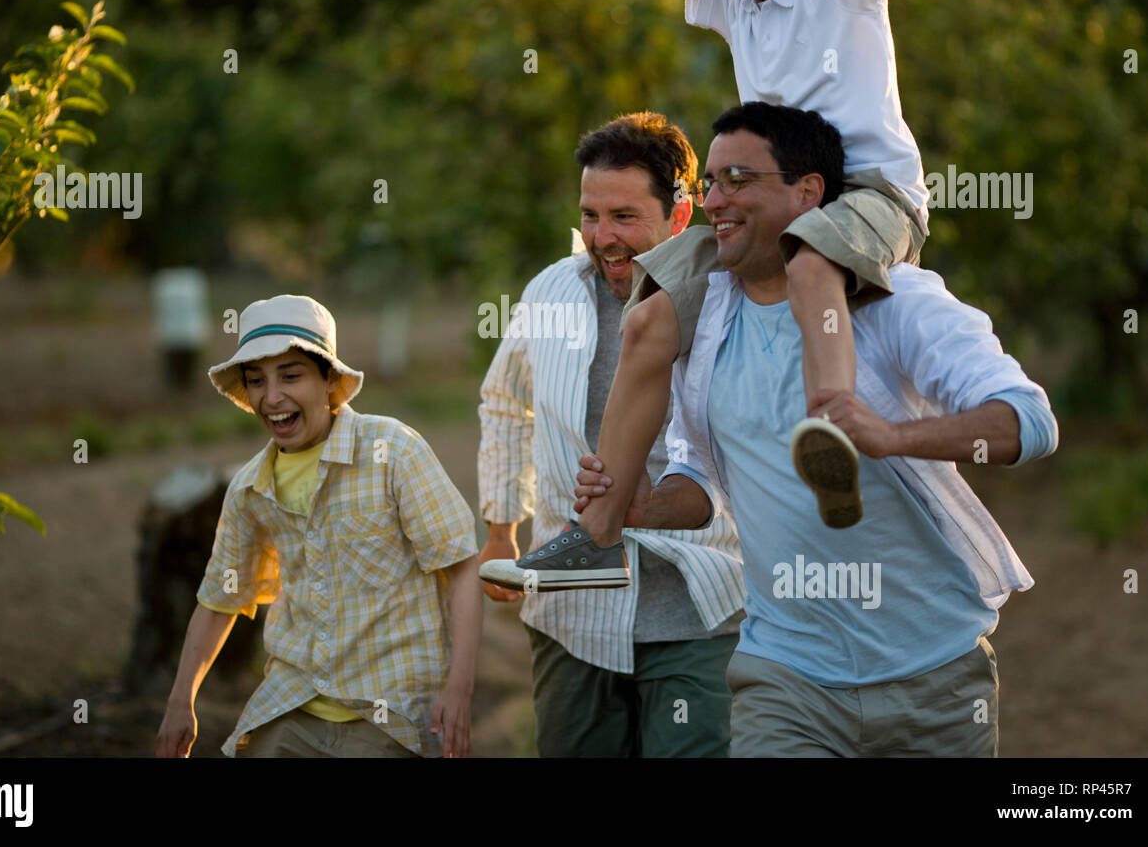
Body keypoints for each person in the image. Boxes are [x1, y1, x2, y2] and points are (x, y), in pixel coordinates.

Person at [575, 103, 1058, 756]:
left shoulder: (899, 303)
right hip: (784, 680)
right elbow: (702, 481)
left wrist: (892, 437)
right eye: (710, 182)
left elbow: (1028, 423)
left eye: (738, 180)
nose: (715, 200)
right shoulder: (704, 324)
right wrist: (647, 506)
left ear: (809, 192)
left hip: (936, 681)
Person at [564, 0, 927, 578]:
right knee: (651, 312)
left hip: (870, 198)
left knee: (812, 261)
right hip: (765, 202)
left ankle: (831, 434)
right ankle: (596, 528)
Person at [477, 113, 744, 757]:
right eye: (591, 215)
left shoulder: (730, 301)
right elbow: (505, 401)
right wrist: (500, 523)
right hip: (573, 615)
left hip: (698, 600)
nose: (603, 238)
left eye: (625, 217)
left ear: (681, 214)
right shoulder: (551, 291)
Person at [155, 294, 481, 758]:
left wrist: (460, 690)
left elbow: (462, 567)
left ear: (328, 379)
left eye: (291, 376)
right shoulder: (250, 489)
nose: (272, 398)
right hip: (294, 702)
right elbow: (219, 600)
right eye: (257, 381)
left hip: (389, 709)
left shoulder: (393, 453)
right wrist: (180, 702)